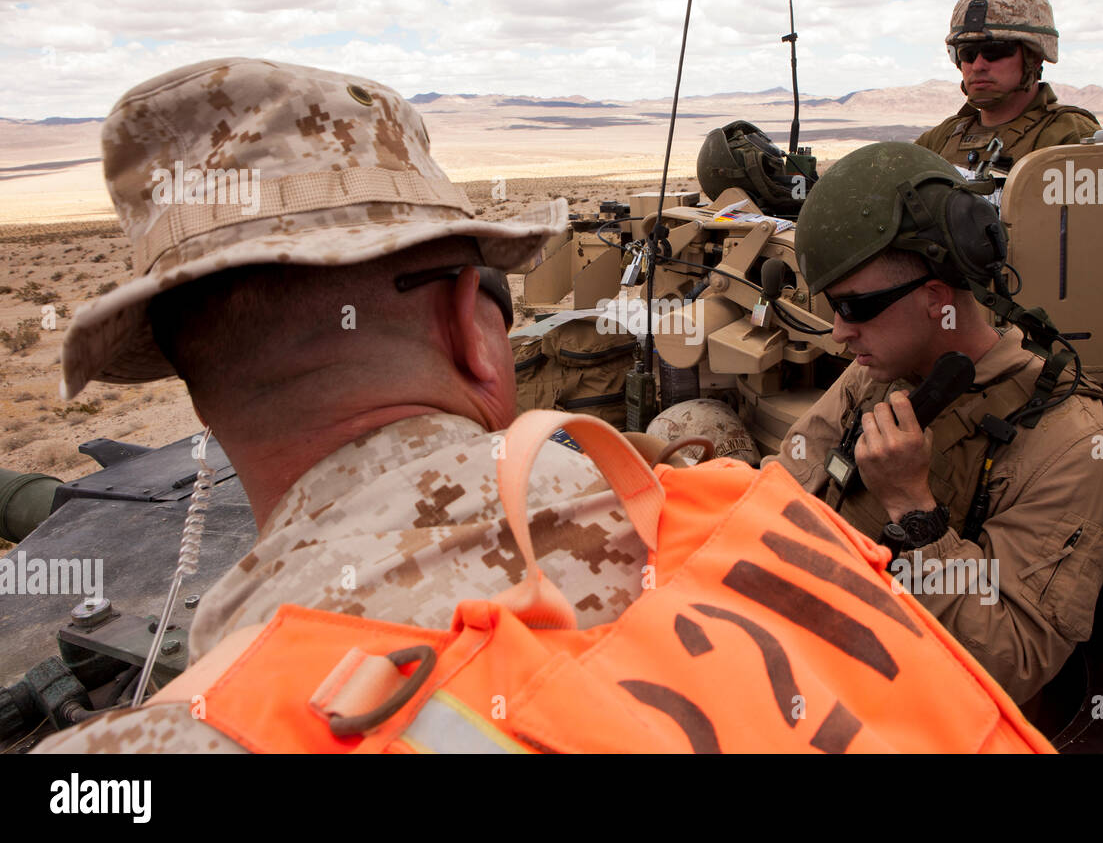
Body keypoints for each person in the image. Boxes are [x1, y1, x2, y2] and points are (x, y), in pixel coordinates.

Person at [36, 61, 1050, 754]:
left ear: (191, 377)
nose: (842, 335)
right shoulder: (743, 519)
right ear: (472, 332)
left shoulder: (193, 732)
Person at [772, 142, 1103, 704]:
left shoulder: (1078, 450)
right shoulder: (881, 372)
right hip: (824, 647)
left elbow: (1012, 661)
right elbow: (786, 485)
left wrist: (916, 514)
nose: (839, 334)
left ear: (934, 298)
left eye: (853, 308)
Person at [915, 0, 1100, 172]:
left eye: (994, 51)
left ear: (1033, 59)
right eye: (967, 53)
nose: (978, 66)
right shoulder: (941, 138)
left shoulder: (1071, 137)